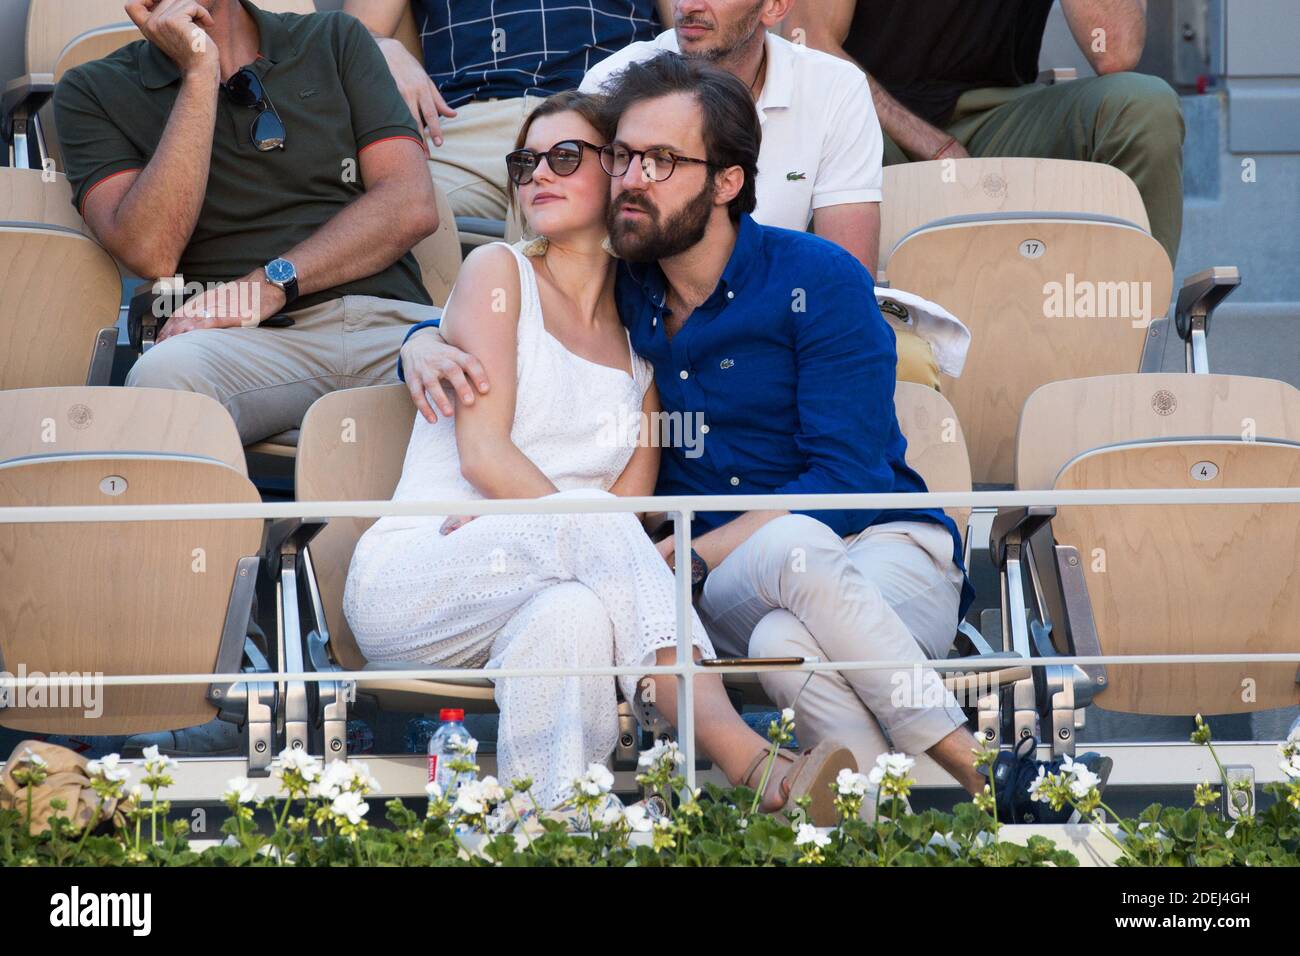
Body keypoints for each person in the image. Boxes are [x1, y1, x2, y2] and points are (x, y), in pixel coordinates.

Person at [402, 53, 1111, 823]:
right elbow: (523, 297)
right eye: (625, 156)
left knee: (789, 585)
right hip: (726, 591)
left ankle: (906, 806)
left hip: (880, 551)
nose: (632, 177)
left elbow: (848, 481)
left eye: (662, 160)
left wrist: (696, 551)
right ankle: (979, 778)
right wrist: (416, 341)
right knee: (777, 613)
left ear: (728, 182)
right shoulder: (629, 287)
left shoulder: (821, 280)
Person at [343, 91, 856, 819]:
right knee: (590, 526)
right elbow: (485, 458)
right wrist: (561, 519)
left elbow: (633, 509)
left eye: (564, 157)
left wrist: (560, 528)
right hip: (421, 572)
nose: (536, 176)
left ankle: (556, 825)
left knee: (577, 614)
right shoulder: (498, 273)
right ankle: (748, 760)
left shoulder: (642, 331)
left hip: (543, 586)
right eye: (525, 162)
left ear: (616, 173)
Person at [53, 0, 442, 445]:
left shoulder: (334, 39)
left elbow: (409, 203)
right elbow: (151, 253)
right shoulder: (92, 89)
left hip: (392, 324)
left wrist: (272, 284)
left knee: (512, 363)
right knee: (164, 379)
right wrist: (199, 73)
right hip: (247, 346)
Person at [577, 0, 963, 389]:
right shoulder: (612, 81)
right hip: (646, 322)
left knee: (903, 358)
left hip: (782, 320)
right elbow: (583, 256)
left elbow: (848, 278)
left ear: (775, 7)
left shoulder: (835, 87)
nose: (688, 6)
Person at [787, 0, 1184, 266]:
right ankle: (836, 345)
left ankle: (1123, 340)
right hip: (874, 120)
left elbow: (1115, 51)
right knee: (816, 127)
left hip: (1003, 115)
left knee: (1144, 105)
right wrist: (933, 144)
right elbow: (809, 41)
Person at [344, 0, 673, 221]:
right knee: (383, 218)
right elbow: (350, 35)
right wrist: (384, 48)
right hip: (464, 127)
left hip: (600, 110)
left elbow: (695, 28)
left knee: (568, 216)